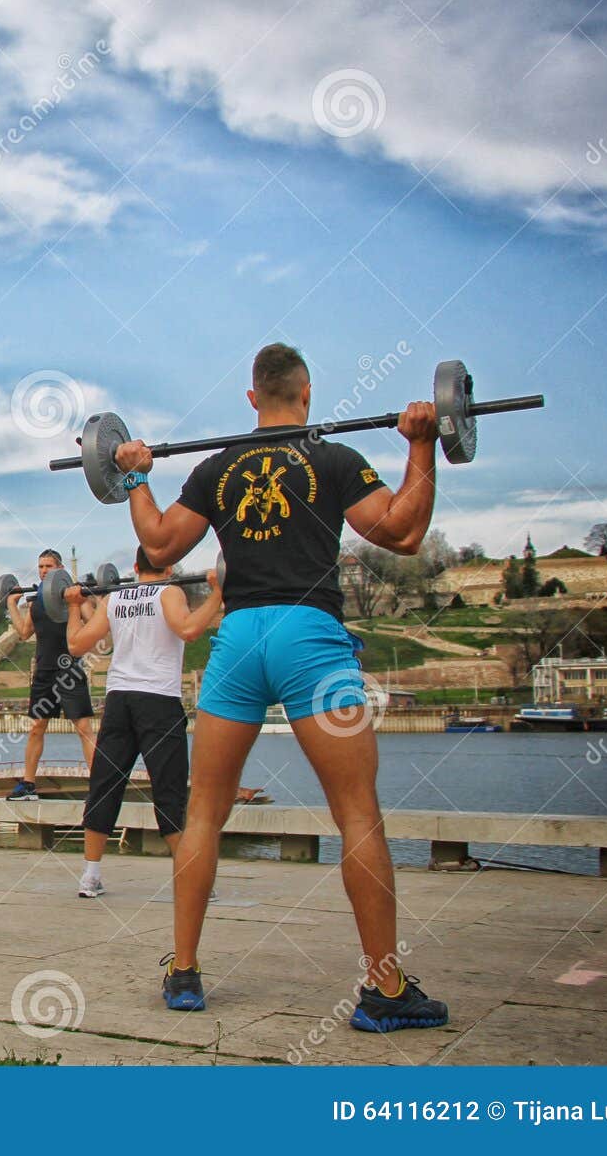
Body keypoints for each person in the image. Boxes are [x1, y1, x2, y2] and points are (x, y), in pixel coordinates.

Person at [118, 342, 446, 1031]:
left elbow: (156, 546)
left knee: (203, 811)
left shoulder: (216, 468)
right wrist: (422, 444)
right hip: (310, 639)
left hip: (237, 642)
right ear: (305, 393)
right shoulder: (331, 459)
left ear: (251, 398)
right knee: (357, 812)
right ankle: (384, 990)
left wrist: (134, 475)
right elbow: (403, 532)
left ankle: (183, 973)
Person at [62, 547, 222, 898]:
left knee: (104, 785)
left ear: (135, 567)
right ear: (170, 567)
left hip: (119, 701)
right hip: (158, 702)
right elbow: (191, 629)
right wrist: (219, 592)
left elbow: (75, 645)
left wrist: (74, 605)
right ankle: (193, 881)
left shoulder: (115, 598)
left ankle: (90, 876)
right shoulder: (171, 591)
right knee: (170, 791)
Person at [4, 549, 97, 801]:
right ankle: (28, 785)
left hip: (69, 667)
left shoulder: (74, 595)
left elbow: (96, 623)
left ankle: (100, 787)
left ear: (60, 569)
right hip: (44, 670)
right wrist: (12, 603)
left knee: (84, 727)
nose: (44, 571)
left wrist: (78, 601)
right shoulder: (35, 601)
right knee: (36, 728)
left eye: (49, 566)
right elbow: (24, 632)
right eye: (41, 567)